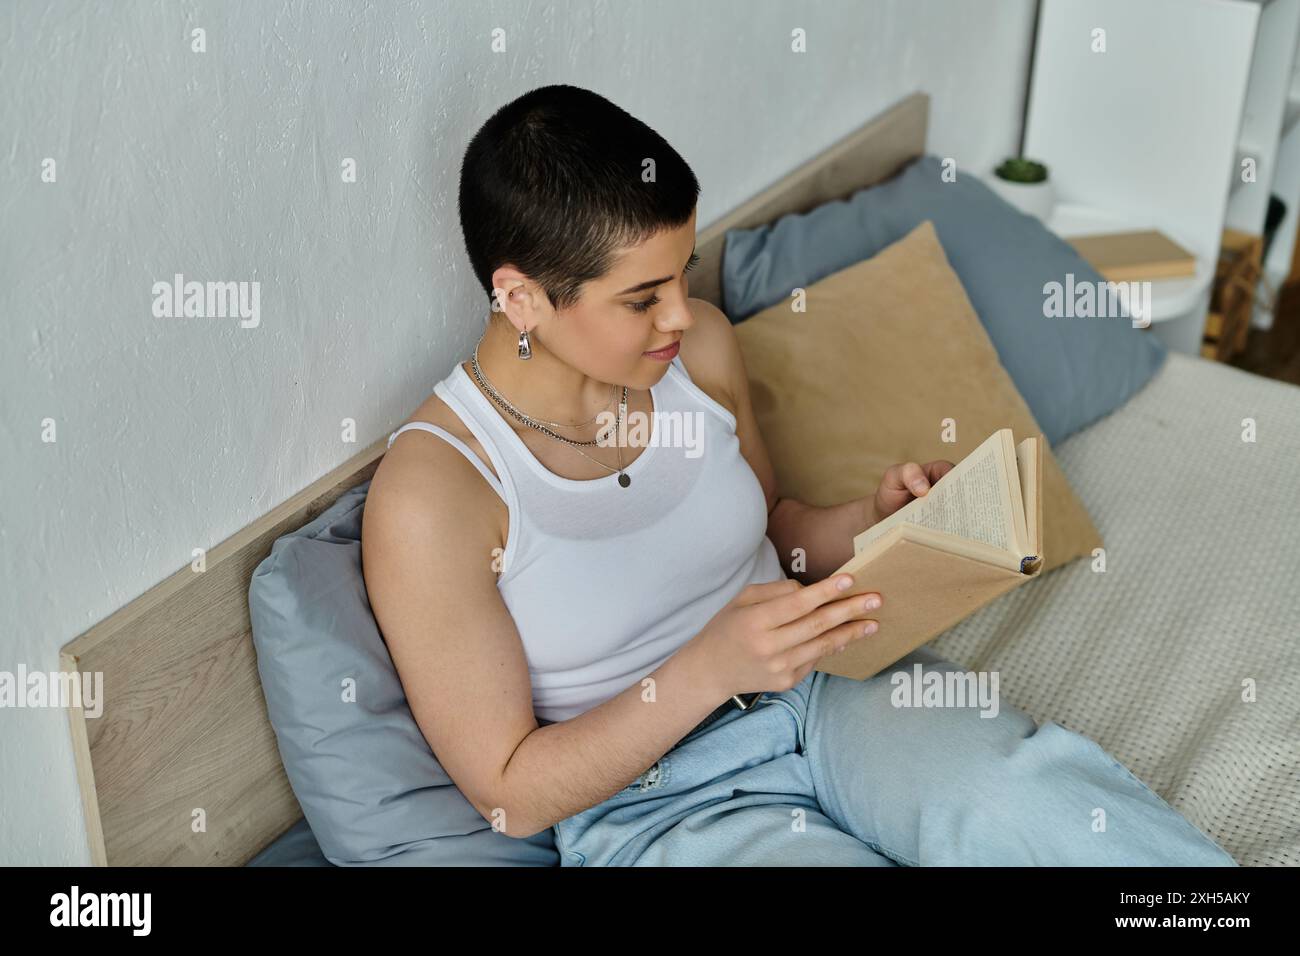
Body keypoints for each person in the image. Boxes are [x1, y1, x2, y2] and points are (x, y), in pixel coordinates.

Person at [360, 84, 1238, 867]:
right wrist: (710, 669)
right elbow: (510, 793)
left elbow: (776, 529)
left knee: (1032, 806)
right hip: (663, 805)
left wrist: (873, 518)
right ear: (520, 298)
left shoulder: (697, 348)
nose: (679, 314)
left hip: (834, 692)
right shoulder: (437, 494)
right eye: (640, 298)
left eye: (684, 273)